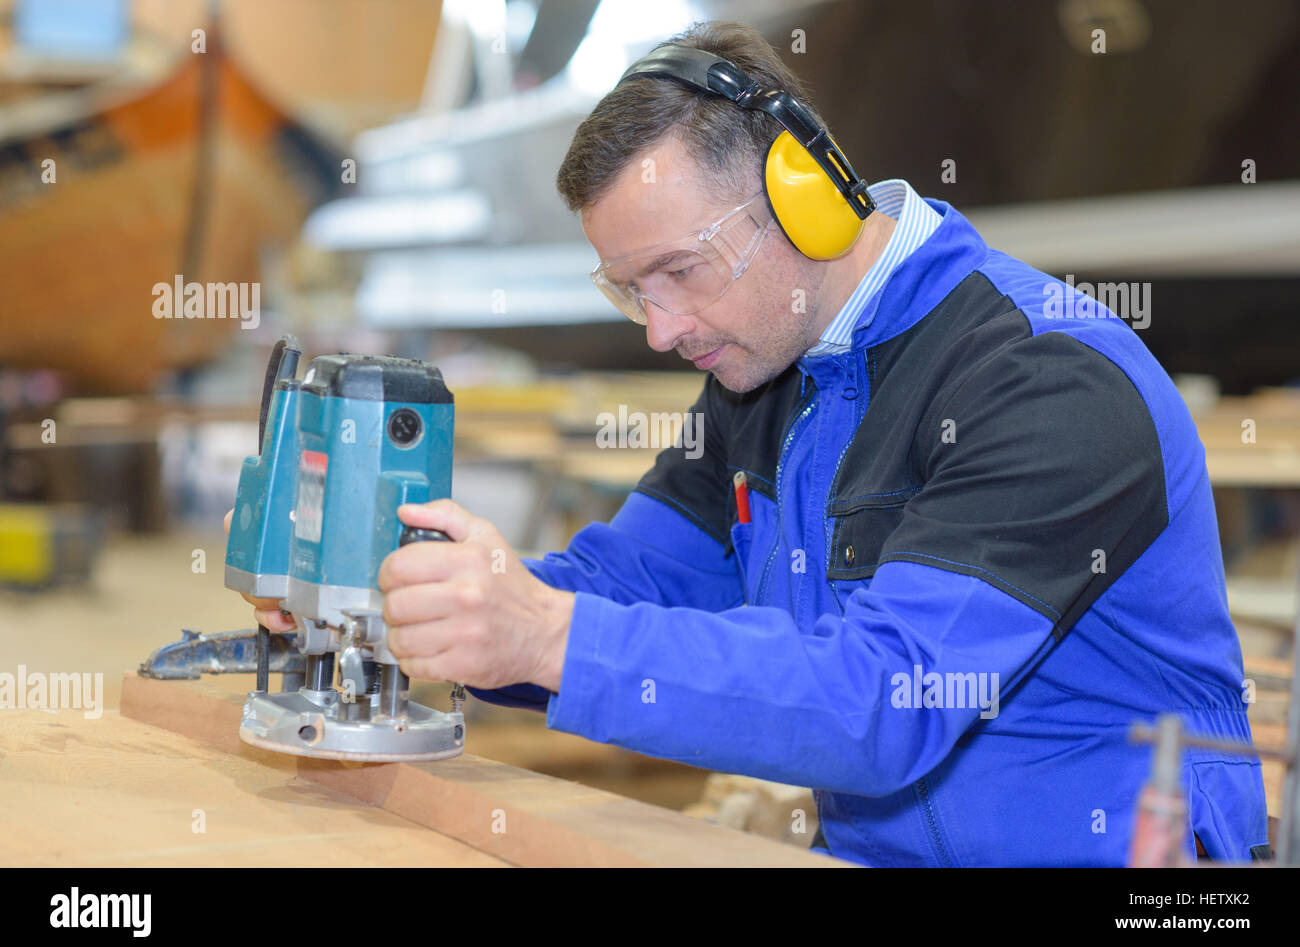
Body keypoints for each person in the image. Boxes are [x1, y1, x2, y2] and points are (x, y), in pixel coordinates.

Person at [228, 20, 1268, 866]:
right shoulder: (765, 370)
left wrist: (543, 637)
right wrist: (424, 609)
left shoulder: (1045, 380)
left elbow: (886, 697)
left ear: (804, 200)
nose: (660, 329)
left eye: (681, 271)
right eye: (631, 288)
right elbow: (627, 582)